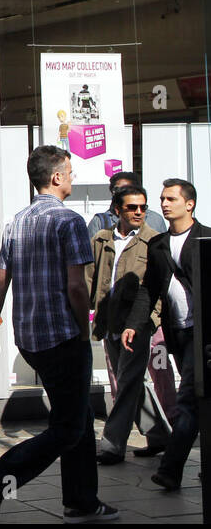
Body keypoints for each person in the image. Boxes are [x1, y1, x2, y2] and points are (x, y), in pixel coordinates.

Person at [0, 146, 120, 524]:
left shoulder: (17, 221)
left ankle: (81, 501)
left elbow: (0, 281)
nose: (71, 178)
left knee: (79, 417)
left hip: (31, 337)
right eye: (69, 172)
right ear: (56, 177)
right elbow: (76, 287)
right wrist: (83, 329)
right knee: (69, 426)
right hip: (62, 337)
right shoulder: (69, 221)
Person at [87, 185, 169, 464]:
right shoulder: (101, 239)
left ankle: (112, 445)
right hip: (109, 323)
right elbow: (90, 280)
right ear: (117, 210)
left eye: (143, 207)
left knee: (127, 383)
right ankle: (160, 436)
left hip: (138, 325)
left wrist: (150, 320)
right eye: (132, 207)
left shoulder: (155, 241)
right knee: (133, 382)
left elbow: (159, 288)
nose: (139, 212)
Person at [137, 179, 208, 491]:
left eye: (171, 199)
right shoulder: (159, 244)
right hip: (176, 331)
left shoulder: (206, 238)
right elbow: (150, 290)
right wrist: (135, 324)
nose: (164, 204)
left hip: (202, 333)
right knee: (202, 401)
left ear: (189, 204)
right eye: (162, 199)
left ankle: (170, 469)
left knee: (188, 400)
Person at [87, 171, 166, 239]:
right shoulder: (100, 222)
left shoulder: (155, 220)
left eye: (126, 189)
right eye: (117, 189)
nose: (120, 193)